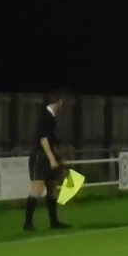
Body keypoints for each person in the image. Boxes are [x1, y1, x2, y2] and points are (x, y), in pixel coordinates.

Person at [25, 93, 72, 231]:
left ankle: (54, 222)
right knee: (37, 190)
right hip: (40, 156)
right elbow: (43, 139)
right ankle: (28, 223)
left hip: (48, 155)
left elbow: (52, 142)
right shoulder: (46, 117)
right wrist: (51, 159)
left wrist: (60, 159)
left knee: (52, 188)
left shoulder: (52, 117)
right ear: (60, 101)